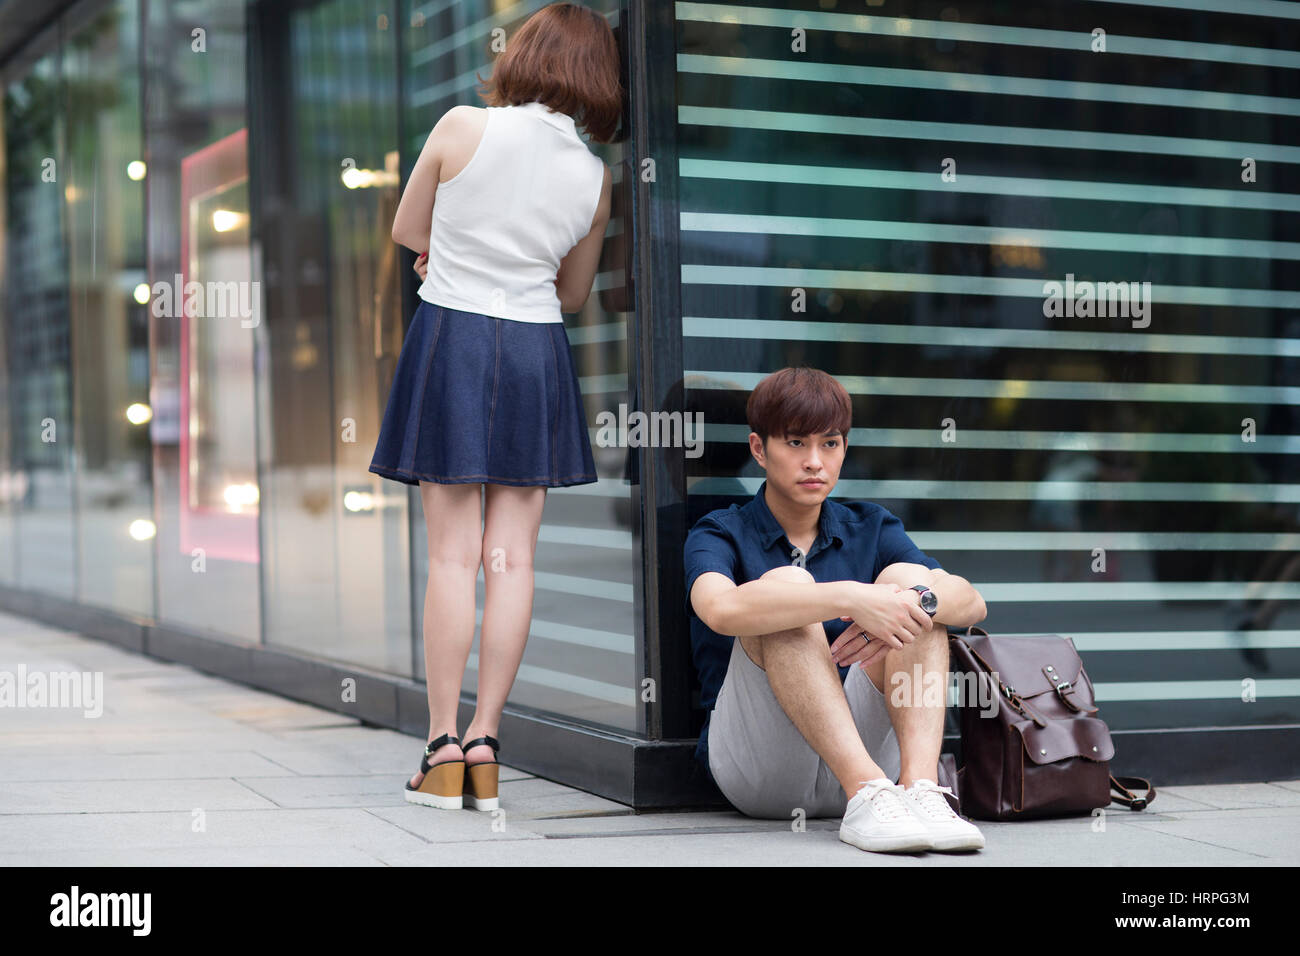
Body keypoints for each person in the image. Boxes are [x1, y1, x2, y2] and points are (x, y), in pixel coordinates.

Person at [370, 2, 620, 811]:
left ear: (521, 54)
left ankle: (441, 747)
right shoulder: (594, 177)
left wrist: (455, 250)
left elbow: (410, 231)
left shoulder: (459, 126)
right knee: (513, 557)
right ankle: (485, 739)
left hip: (453, 337)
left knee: (453, 555)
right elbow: (575, 293)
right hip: (535, 350)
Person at [684, 367, 989, 853]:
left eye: (830, 444)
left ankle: (921, 789)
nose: (814, 462)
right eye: (796, 443)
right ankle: (864, 789)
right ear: (759, 449)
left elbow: (972, 602)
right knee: (787, 588)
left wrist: (914, 602)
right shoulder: (720, 530)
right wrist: (850, 597)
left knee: (915, 594)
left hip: (882, 778)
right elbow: (718, 609)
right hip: (761, 769)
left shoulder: (870, 524)